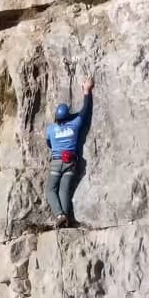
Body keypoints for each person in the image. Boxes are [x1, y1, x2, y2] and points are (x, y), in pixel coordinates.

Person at [43, 76, 95, 228]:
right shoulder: (75, 124)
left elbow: (48, 143)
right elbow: (85, 111)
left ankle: (60, 215)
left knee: (51, 190)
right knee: (64, 191)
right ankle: (65, 219)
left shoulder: (51, 129)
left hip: (57, 161)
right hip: (71, 162)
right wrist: (87, 90)